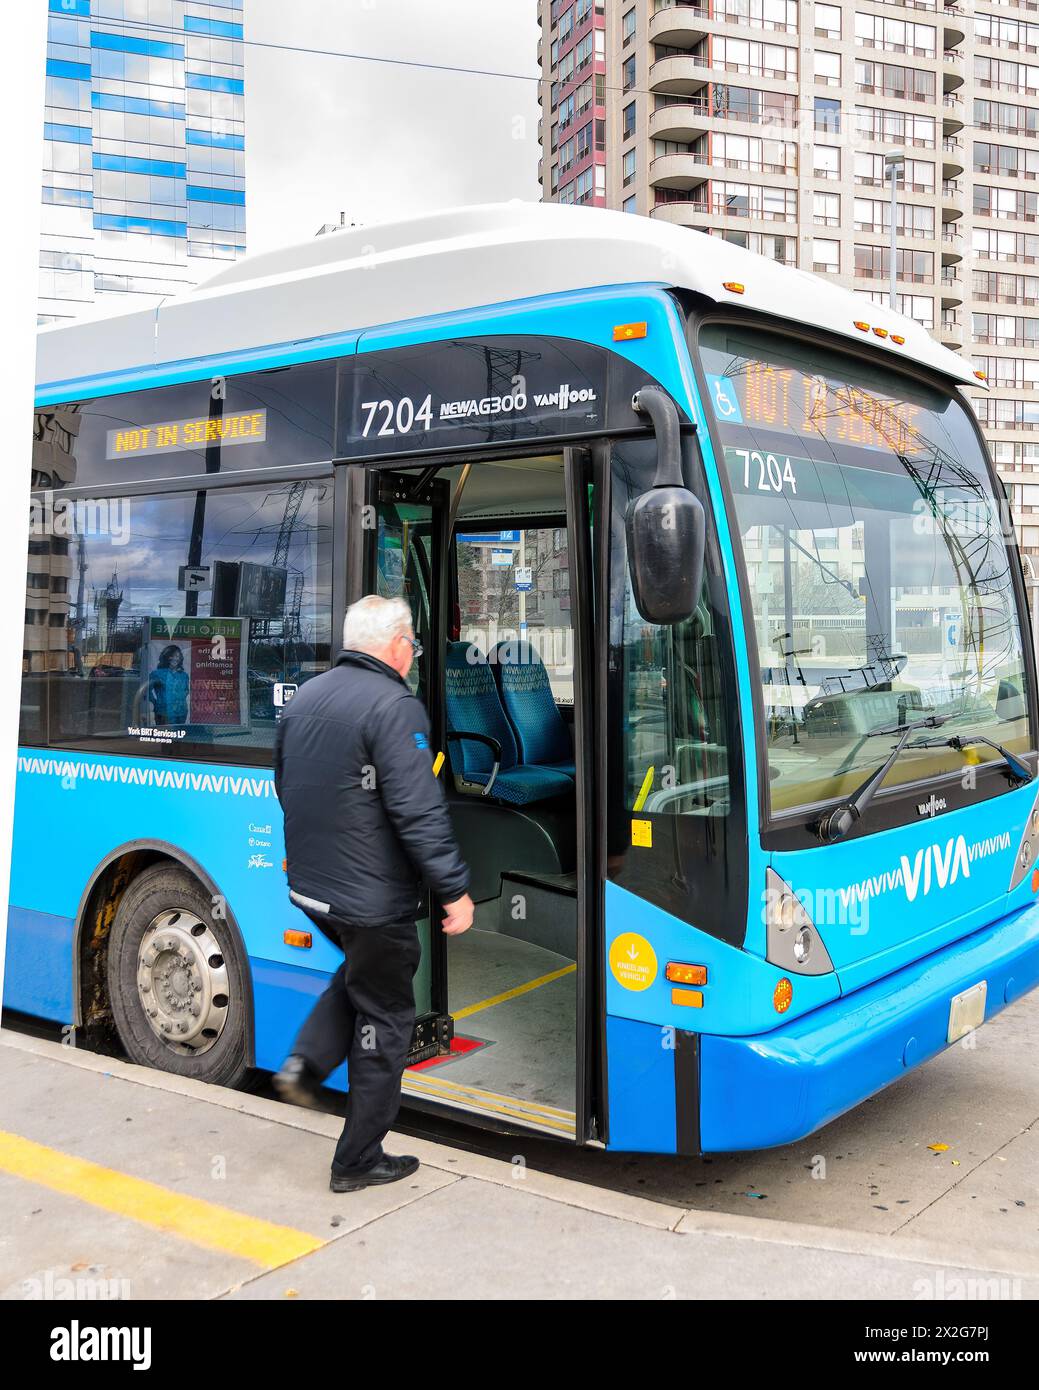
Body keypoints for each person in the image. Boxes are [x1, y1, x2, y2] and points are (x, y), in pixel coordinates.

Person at [272, 594, 473, 1193]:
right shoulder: (395, 707)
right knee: (387, 1015)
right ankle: (357, 1158)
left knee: (364, 974)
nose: (412, 654)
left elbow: (288, 786)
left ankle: (305, 1062)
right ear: (394, 644)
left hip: (313, 888)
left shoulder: (306, 696)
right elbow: (419, 812)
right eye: (412, 644)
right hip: (372, 899)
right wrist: (454, 891)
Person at [148, 644, 189, 725]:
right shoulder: (157, 674)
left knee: (180, 735)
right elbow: (147, 691)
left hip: (182, 712)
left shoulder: (184, 675)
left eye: (177, 656)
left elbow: (186, 691)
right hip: (164, 712)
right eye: (171, 656)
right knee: (166, 735)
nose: (174, 659)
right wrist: (156, 703)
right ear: (166, 657)